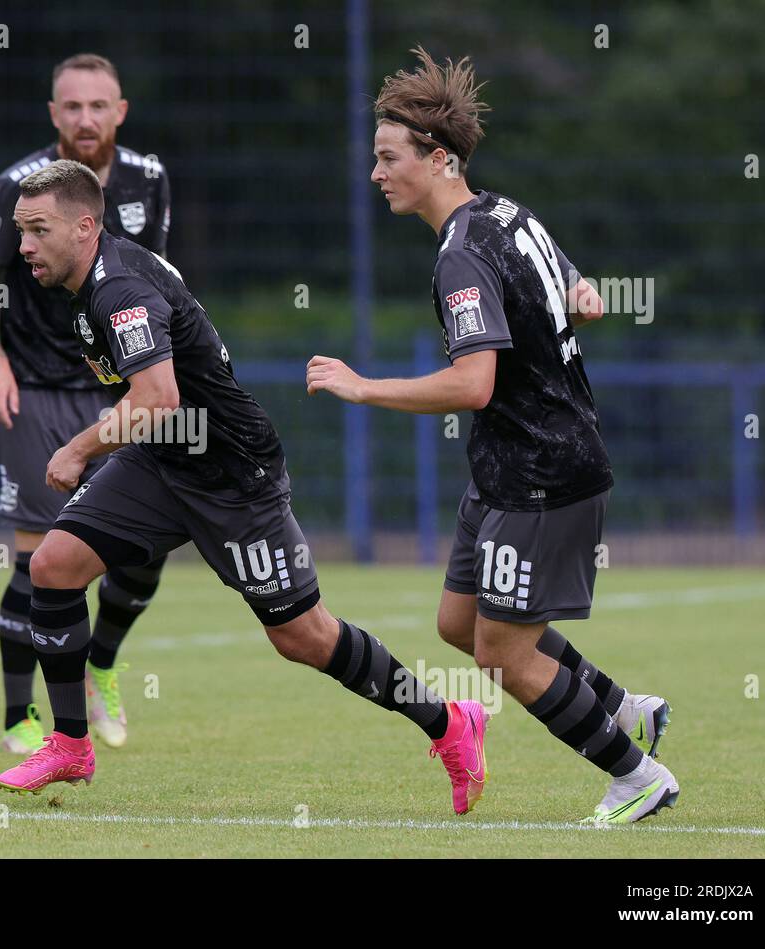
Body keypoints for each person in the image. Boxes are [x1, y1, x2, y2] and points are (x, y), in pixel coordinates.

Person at [0, 159, 488, 815]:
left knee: (303, 637)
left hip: (233, 476)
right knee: (53, 565)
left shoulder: (119, 290)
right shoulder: (96, 281)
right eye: (20, 230)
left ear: (85, 226)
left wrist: (78, 448)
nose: (23, 245)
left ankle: (450, 722)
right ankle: (69, 742)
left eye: (37, 229)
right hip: (163, 463)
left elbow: (160, 396)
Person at [306, 48, 677, 824]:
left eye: (387, 157)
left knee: (501, 654)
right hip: (509, 467)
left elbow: (473, 383)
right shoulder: (507, 212)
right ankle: (624, 706)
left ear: (438, 159)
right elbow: (585, 297)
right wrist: (573, 297)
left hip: (542, 472)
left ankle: (635, 773)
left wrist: (363, 385)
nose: (376, 174)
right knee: (459, 622)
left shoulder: (462, 253)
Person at [0, 53, 171, 752]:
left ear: (120, 112)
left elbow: (155, 281)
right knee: (37, 559)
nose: (85, 118)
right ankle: (21, 715)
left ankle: (101, 662)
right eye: (71, 107)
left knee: (142, 552)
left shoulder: (149, 180)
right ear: (54, 115)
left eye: (98, 106)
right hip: (38, 391)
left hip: (120, 392)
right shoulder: (16, 186)